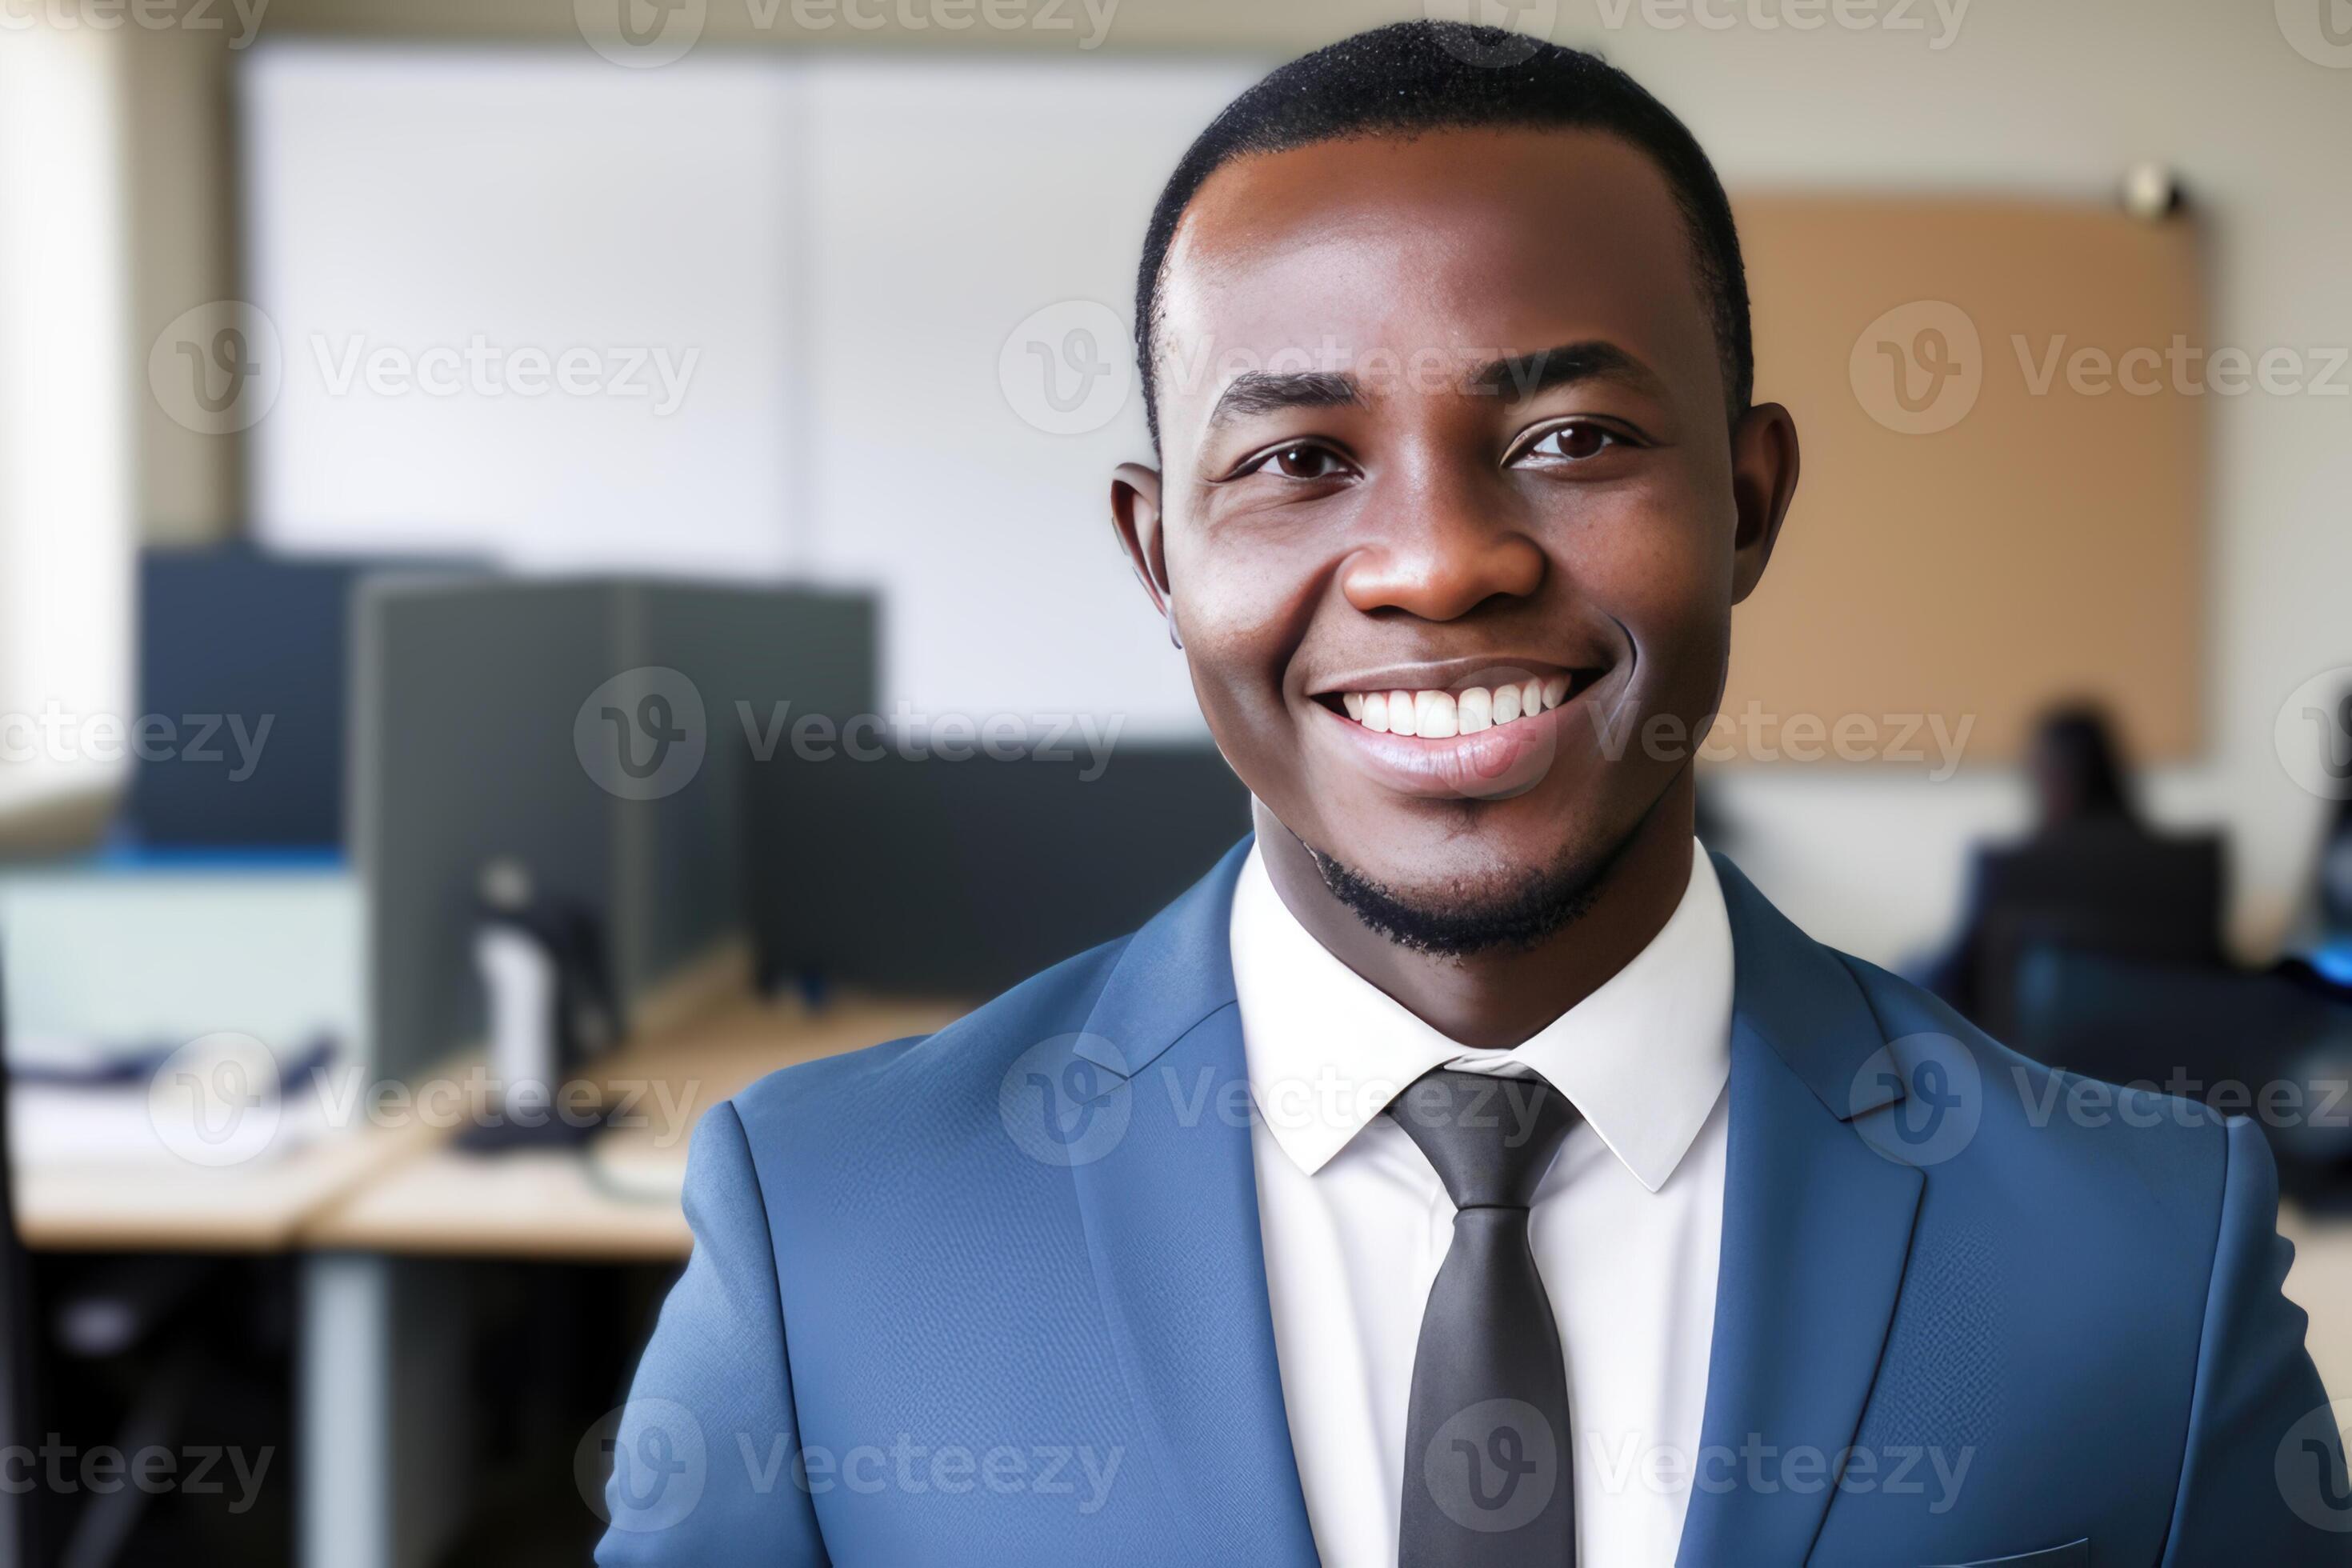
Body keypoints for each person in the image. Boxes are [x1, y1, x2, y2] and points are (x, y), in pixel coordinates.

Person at [595, 24, 2348, 1566]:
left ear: (1749, 503)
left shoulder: (2144, 1252)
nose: (1437, 564)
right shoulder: (823, 1229)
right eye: (1297, 460)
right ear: (1159, 554)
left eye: (1574, 437)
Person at [1926, 704, 2226, 1038]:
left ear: (2040, 775)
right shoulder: (2193, 863)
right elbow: (2215, 974)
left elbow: (1953, 981)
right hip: (2180, 1063)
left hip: (2029, 1072)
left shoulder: (2007, 869)